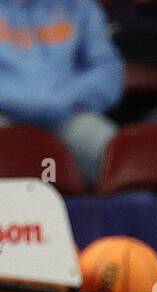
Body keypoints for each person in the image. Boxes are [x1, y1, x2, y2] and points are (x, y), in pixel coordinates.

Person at [0, 0, 124, 187]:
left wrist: (62, 100)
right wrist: (25, 101)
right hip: (3, 114)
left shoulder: (79, 6)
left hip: (68, 116)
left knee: (121, 157)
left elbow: (108, 72)